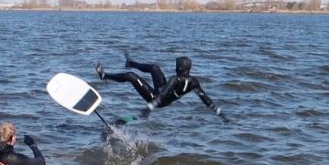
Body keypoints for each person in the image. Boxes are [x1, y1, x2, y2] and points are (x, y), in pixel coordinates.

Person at [95, 53, 229, 122]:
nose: (175, 67)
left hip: (155, 98)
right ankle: (130, 63)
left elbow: (163, 94)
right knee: (154, 68)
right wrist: (219, 112)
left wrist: (149, 107)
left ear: (179, 68)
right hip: (163, 94)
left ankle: (104, 76)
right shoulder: (193, 81)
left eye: (176, 65)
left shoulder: (175, 80)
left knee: (131, 76)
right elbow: (205, 99)